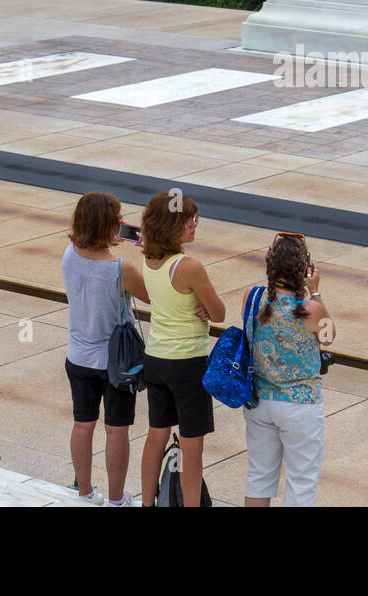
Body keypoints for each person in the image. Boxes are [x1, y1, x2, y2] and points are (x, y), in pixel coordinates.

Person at [137, 191, 225, 506]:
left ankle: (147, 502)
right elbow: (219, 313)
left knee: (156, 434)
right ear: (172, 226)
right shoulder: (189, 266)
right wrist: (202, 304)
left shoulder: (149, 258)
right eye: (189, 221)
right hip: (188, 363)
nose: (194, 226)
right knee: (191, 448)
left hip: (156, 358)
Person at [61, 192, 148, 506]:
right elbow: (152, 296)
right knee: (116, 430)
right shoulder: (120, 268)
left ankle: (84, 492)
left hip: (78, 355)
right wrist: (149, 252)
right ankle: (115, 499)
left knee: (83, 424)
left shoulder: (69, 254)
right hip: (115, 363)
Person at [244, 233, 335, 507]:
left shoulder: (252, 297)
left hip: (259, 401)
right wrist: (315, 291)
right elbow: (329, 336)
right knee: (301, 483)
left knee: (259, 476)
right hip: (300, 405)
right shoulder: (309, 309)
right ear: (303, 269)